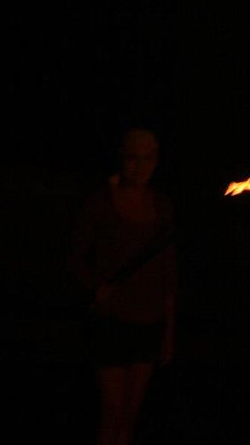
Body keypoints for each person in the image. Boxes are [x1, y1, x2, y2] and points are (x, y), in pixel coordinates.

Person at [71, 128, 177, 445]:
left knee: (130, 414)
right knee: (112, 411)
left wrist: (168, 331)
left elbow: (169, 273)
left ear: (156, 162)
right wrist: (94, 287)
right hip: (111, 322)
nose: (140, 167)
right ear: (122, 158)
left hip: (148, 323)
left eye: (147, 159)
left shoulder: (163, 207)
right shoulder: (101, 203)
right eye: (133, 158)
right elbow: (75, 257)